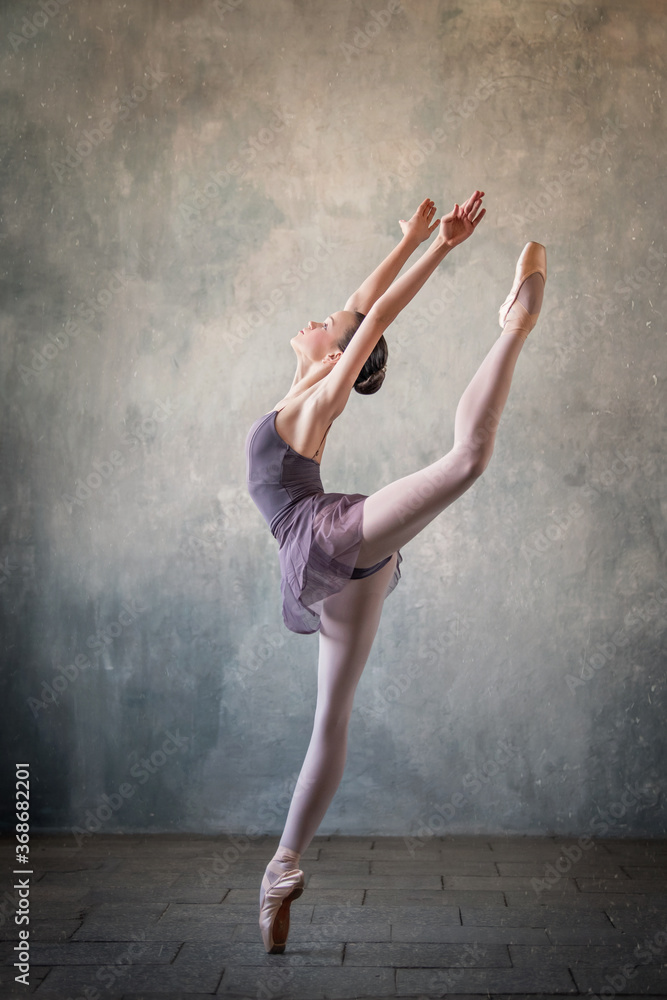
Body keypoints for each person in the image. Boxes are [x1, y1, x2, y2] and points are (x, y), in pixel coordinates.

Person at [244, 191, 547, 953]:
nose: (323, 315)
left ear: (338, 355)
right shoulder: (303, 386)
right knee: (329, 720)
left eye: (331, 327)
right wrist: (411, 236)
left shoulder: (314, 401)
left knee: (467, 460)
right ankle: (280, 867)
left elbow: (369, 320)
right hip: (342, 556)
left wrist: (441, 251)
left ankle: (513, 327)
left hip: (328, 537)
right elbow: (359, 306)